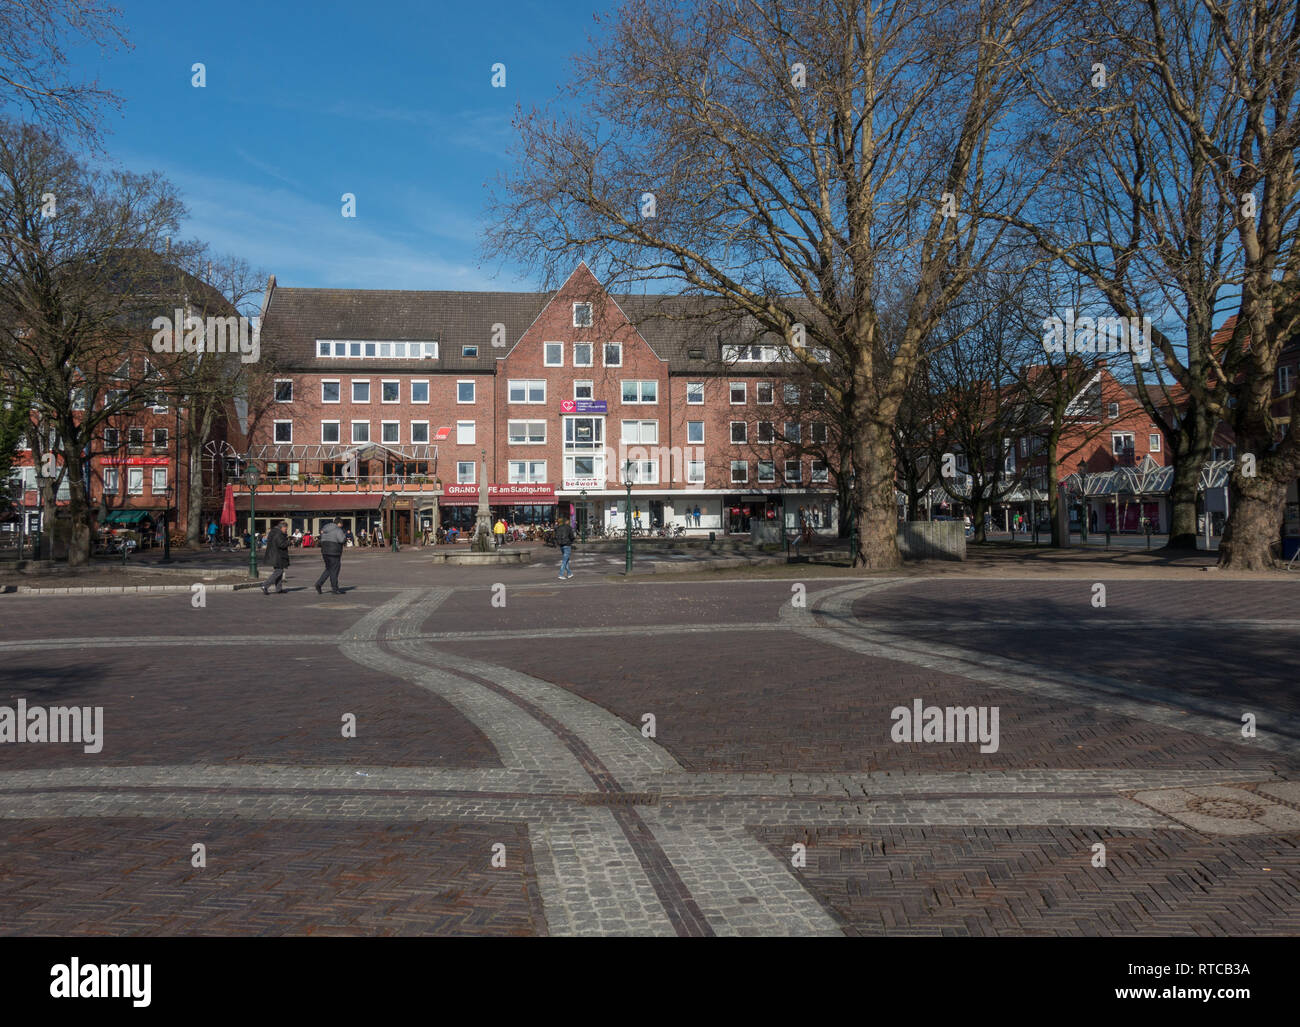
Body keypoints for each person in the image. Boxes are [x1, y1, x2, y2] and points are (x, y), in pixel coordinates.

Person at [316, 517, 347, 594]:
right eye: (342, 524)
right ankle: (335, 588)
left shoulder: (325, 528)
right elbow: (341, 540)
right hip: (334, 552)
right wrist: (345, 537)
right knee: (334, 570)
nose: (342, 525)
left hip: (324, 551)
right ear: (339, 523)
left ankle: (319, 584)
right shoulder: (338, 530)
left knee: (329, 569)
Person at [261, 520, 291, 594]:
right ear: (282, 527)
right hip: (278, 555)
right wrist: (289, 542)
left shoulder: (274, 532)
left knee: (279, 571)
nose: (286, 530)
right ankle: (265, 585)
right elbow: (281, 544)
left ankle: (279, 589)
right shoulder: (278, 533)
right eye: (286, 528)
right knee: (279, 571)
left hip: (274, 554)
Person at [554, 515, 576, 580]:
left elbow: (556, 537)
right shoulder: (568, 527)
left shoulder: (558, 528)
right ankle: (560, 574)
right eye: (568, 521)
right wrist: (571, 541)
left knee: (566, 560)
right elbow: (572, 536)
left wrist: (558, 543)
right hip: (567, 544)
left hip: (561, 545)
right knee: (564, 560)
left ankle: (569, 573)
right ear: (566, 521)